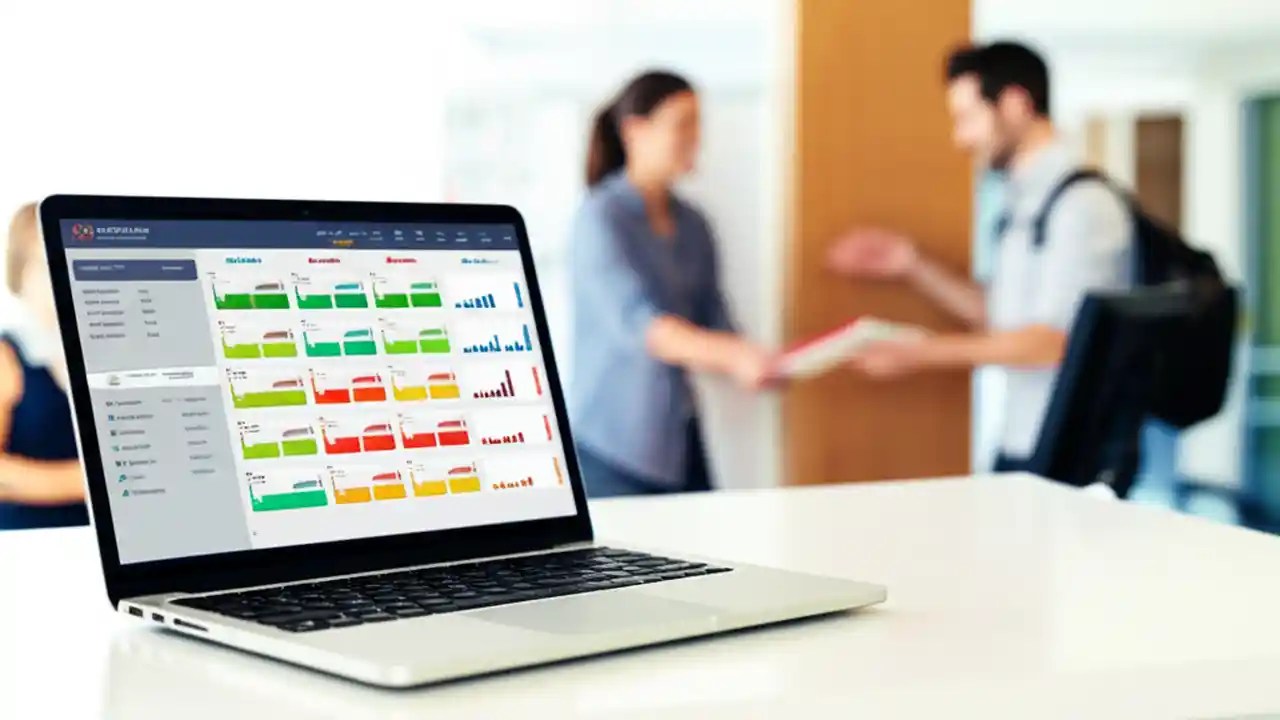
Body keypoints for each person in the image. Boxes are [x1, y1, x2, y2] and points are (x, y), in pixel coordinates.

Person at [827, 42, 1133, 480]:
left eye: (968, 119)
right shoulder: (1021, 204)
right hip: (1021, 442)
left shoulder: (1082, 205)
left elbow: (1054, 342)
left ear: (1015, 104)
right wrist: (910, 264)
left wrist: (921, 353)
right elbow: (1004, 320)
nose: (961, 139)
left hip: (1074, 455)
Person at [569, 70, 772, 498]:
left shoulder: (694, 224)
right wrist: (735, 355)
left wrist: (762, 361)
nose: (696, 137)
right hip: (614, 447)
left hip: (678, 438)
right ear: (634, 131)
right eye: (683, 123)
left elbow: (714, 318)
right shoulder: (601, 218)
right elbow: (644, 326)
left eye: (699, 124)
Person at [0, 203, 87, 529]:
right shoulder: (7, 355)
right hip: (30, 541)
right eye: (44, 265)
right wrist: (95, 482)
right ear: (20, 275)